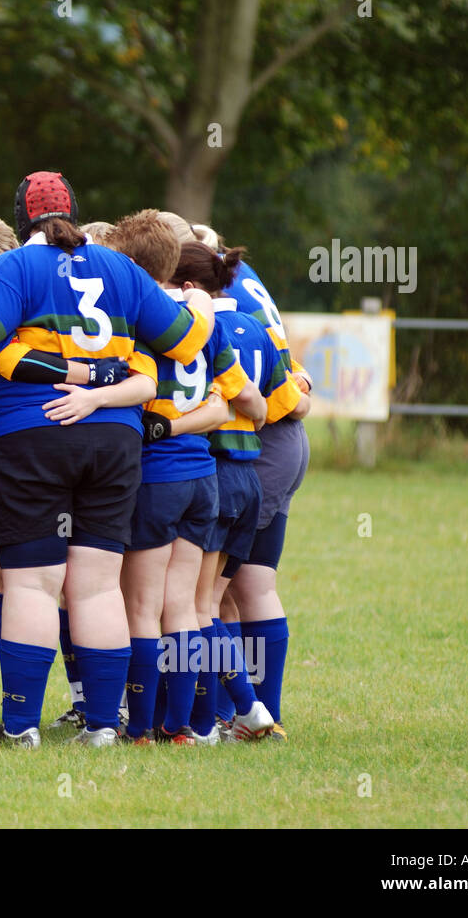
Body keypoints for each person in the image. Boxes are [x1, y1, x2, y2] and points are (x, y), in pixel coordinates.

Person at [0, 171, 215, 748]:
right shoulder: (120, 267)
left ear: (20, 219)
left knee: (31, 585)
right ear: (76, 213)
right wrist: (200, 299)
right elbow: (184, 340)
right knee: (99, 586)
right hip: (113, 438)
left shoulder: (16, 267)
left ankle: (22, 726)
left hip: (32, 434)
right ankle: (104, 725)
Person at [107, 210, 266, 745]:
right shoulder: (208, 321)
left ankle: (145, 727)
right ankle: (188, 725)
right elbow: (233, 406)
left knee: (143, 607)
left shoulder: (139, 318)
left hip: (157, 478)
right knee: (185, 607)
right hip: (205, 475)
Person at [172, 240, 308, 742]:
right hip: (257, 469)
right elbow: (287, 404)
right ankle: (247, 711)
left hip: (216, 472)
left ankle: (222, 717)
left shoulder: (197, 328)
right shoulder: (256, 326)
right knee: (237, 595)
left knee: (200, 604)